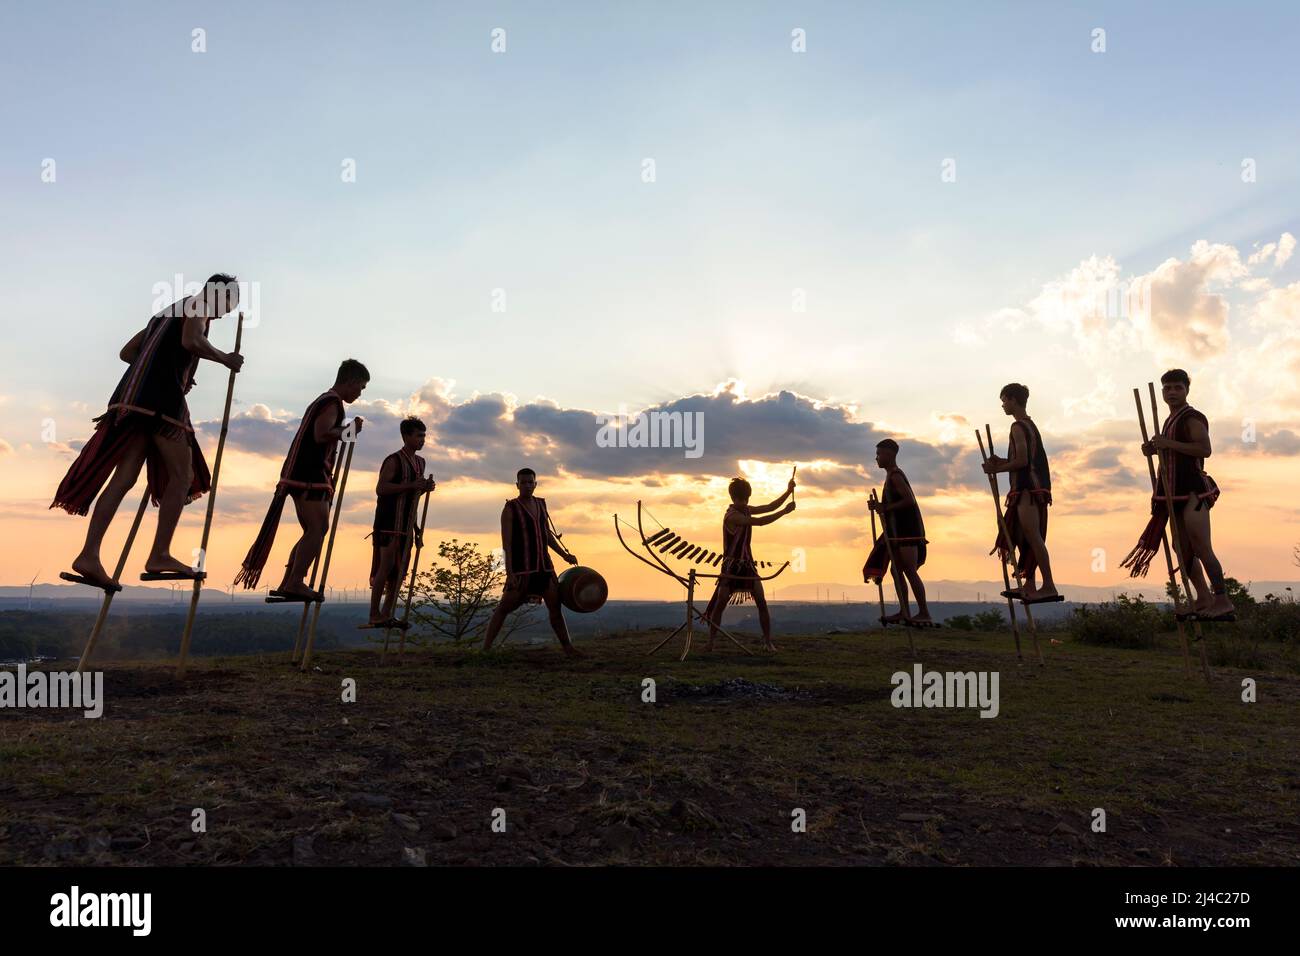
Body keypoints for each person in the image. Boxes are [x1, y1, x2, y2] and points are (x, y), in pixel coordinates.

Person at [52, 274, 244, 588]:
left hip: (132, 399)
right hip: (160, 402)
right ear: (218, 295)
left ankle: (89, 554)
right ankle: (160, 553)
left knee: (124, 479)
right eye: (228, 304)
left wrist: (173, 367)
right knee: (182, 476)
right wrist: (225, 359)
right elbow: (191, 341)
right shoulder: (200, 306)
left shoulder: (169, 310)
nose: (225, 313)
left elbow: (128, 353)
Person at [234, 359, 369, 599]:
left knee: (313, 529)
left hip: (303, 471)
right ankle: (295, 581)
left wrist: (347, 430)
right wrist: (350, 431)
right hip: (309, 472)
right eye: (361, 387)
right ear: (351, 381)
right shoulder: (331, 402)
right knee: (318, 528)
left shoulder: (325, 400)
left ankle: (290, 580)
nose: (360, 393)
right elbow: (322, 434)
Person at [1122, 368, 1234, 621]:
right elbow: (1172, 450)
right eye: (1167, 388)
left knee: (1202, 546)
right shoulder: (1170, 420)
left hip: (1192, 492)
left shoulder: (1192, 417)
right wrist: (1154, 449)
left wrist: (1167, 444)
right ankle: (1203, 597)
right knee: (1180, 547)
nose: (1171, 392)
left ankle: (1223, 600)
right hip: (1172, 493)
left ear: (1186, 390)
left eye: (1177, 388)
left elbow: (1204, 449)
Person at [482, 468, 581, 656]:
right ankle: (485, 649)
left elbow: (547, 536)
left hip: (544, 565)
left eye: (530, 482)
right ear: (517, 485)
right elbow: (506, 543)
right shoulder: (510, 508)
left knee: (555, 607)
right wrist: (509, 573)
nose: (527, 485)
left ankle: (568, 648)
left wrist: (564, 555)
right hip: (521, 569)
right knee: (504, 608)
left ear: (535, 484)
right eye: (523, 482)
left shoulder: (541, 504)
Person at [981, 382, 1059, 601]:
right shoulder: (1029, 426)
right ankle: (1030, 584)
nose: (1003, 406)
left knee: (1033, 536)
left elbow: (1023, 461)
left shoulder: (1017, 427)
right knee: (1025, 537)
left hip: (1027, 489)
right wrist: (1003, 462)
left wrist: (996, 468)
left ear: (1013, 400)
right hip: (1032, 487)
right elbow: (1025, 459)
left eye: (1004, 401)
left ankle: (1049, 585)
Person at [702, 475, 796, 652]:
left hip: (747, 565)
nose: (745, 502)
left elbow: (768, 507)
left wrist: (788, 491)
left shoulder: (744, 509)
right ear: (733, 498)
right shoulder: (732, 516)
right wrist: (784, 512)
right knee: (721, 602)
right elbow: (760, 521)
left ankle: (768, 643)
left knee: (761, 601)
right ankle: (711, 642)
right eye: (742, 499)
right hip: (731, 566)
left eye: (746, 499)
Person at [367, 416, 435, 626]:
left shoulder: (420, 462)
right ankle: (374, 613)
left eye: (424, 436)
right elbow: (382, 488)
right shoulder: (393, 460)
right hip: (389, 522)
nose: (422, 440)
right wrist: (411, 486)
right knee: (385, 567)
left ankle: (387, 613)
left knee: (399, 572)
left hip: (407, 525)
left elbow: (413, 494)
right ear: (406, 436)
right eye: (418, 436)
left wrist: (423, 489)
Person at [863, 439, 932, 624]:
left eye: (879, 454)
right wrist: (879, 506)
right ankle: (905, 611)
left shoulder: (895, 476)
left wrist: (884, 507)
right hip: (897, 531)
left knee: (909, 570)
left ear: (889, 454)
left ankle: (924, 613)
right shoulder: (890, 476)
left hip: (907, 532)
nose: (876, 458)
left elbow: (909, 500)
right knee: (896, 570)